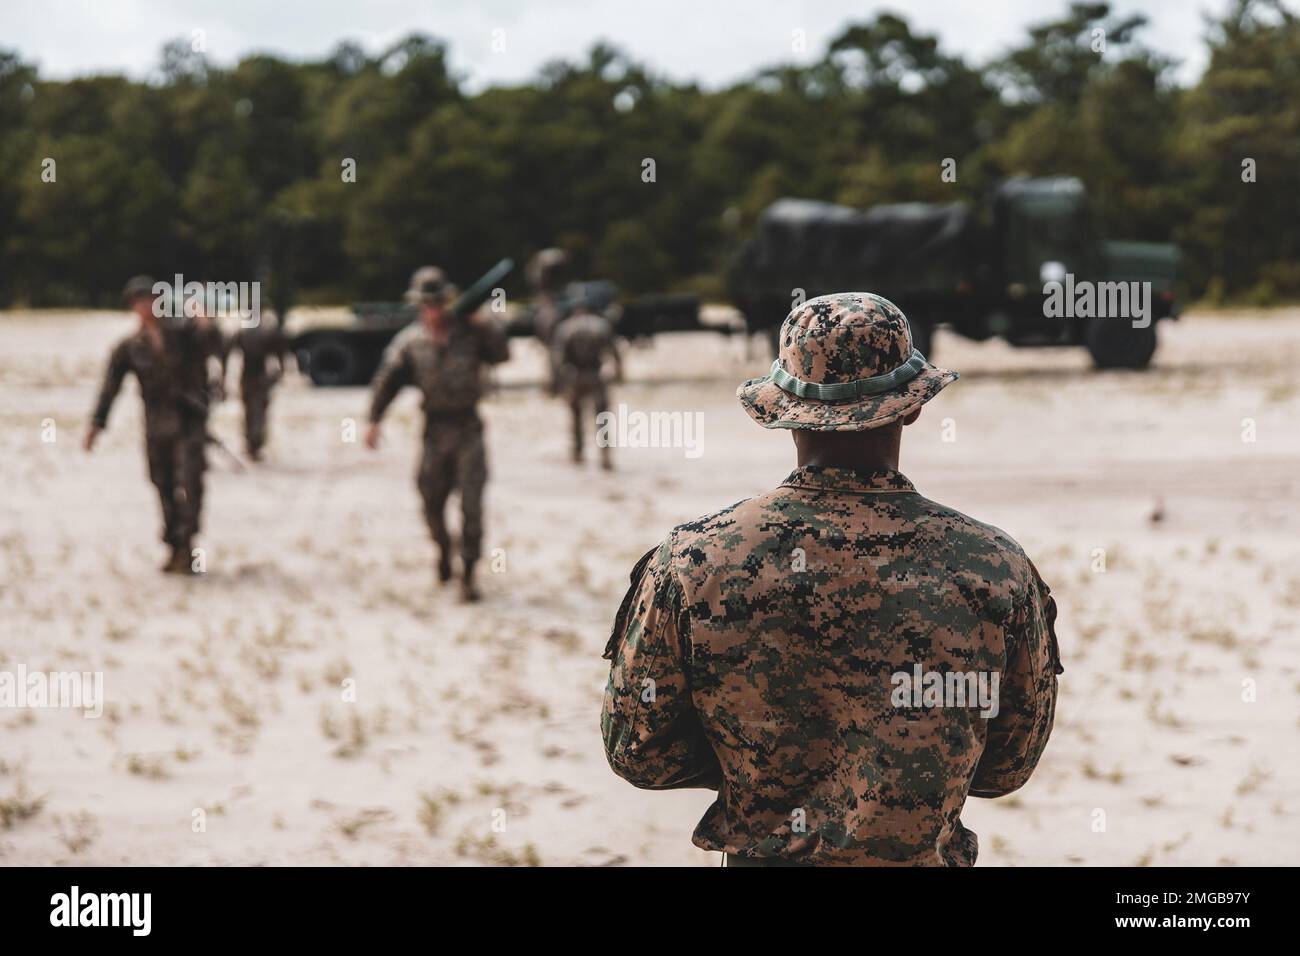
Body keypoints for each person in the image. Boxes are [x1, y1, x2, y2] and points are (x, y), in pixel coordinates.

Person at [601, 291, 1062, 866]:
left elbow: (638, 751)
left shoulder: (695, 561)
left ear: (783, 408)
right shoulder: (993, 565)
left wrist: (757, 769)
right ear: (912, 407)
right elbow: (1007, 766)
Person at [365, 270, 510, 601]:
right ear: (418, 305)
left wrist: (483, 321)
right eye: (427, 303)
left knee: (472, 503)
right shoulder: (410, 342)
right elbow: (387, 380)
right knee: (431, 501)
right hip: (434, 429)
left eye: (439, 302)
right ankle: (444, 550)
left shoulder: (472, 334)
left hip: (468, 426)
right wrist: (373, 420)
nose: (434, 308)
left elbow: (502, 353)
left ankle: (468, 574)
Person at [84, 275, 225, 573]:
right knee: (162, 484)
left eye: (150, 299)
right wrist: (96, 425)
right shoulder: (129, 347)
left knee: (191, 483)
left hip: (189, 422)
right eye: (139, 301)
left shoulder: (184, 333)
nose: (146, 306)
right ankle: (174, 544)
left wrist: (206, 321)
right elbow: (110, 388)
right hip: (156, 425)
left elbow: (214, 344)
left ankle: (187, 545)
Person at [549, 297, 622, 468]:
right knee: (602, 417)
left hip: (575, 376)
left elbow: (557, 358)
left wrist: (556, 381)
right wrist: (619, 372)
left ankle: (578, 452)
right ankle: (605, 454)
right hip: (596, 375)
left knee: (576, 416)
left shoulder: (565, 328)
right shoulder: (601, 325)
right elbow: (614, 351)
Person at [224, 316, 292, 460]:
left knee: (249, 411)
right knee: (259, 411)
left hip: (247, 376)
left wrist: (225, 377)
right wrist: (279, 373)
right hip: (261, 377)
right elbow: (280, 354)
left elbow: (227, 351)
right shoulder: (267, 332)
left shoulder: (242, 333)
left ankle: (251, 443)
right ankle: (255, 443)